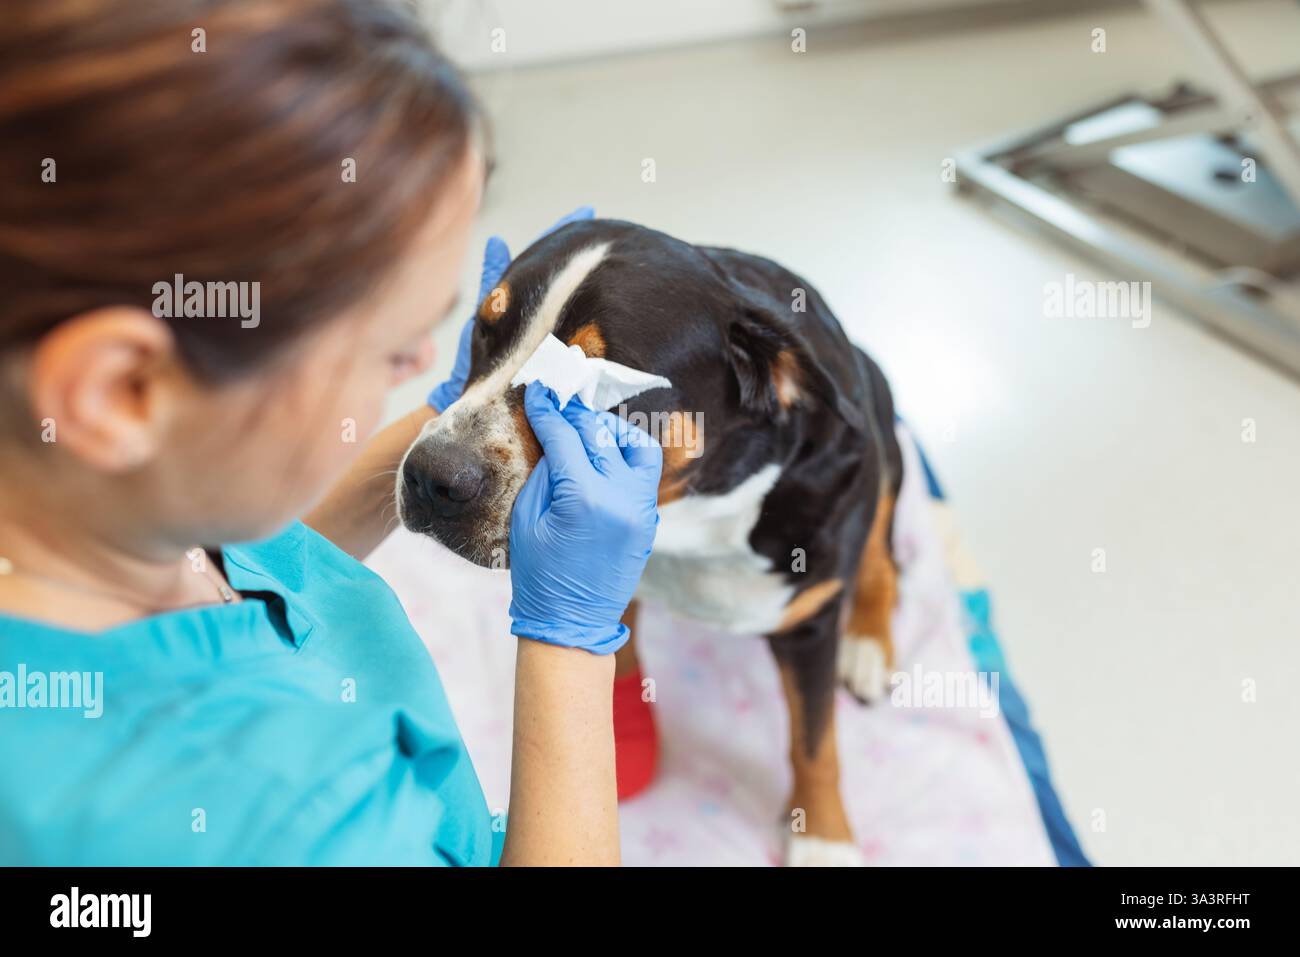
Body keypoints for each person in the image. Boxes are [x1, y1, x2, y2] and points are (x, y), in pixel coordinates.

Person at [0, 0, 660, 866]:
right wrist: (571, 636)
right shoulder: (271, 813)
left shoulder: (95, 504)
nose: (421, 360)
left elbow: (273, 562)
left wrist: (457, 400)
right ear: (123, 390)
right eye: (390, 348)